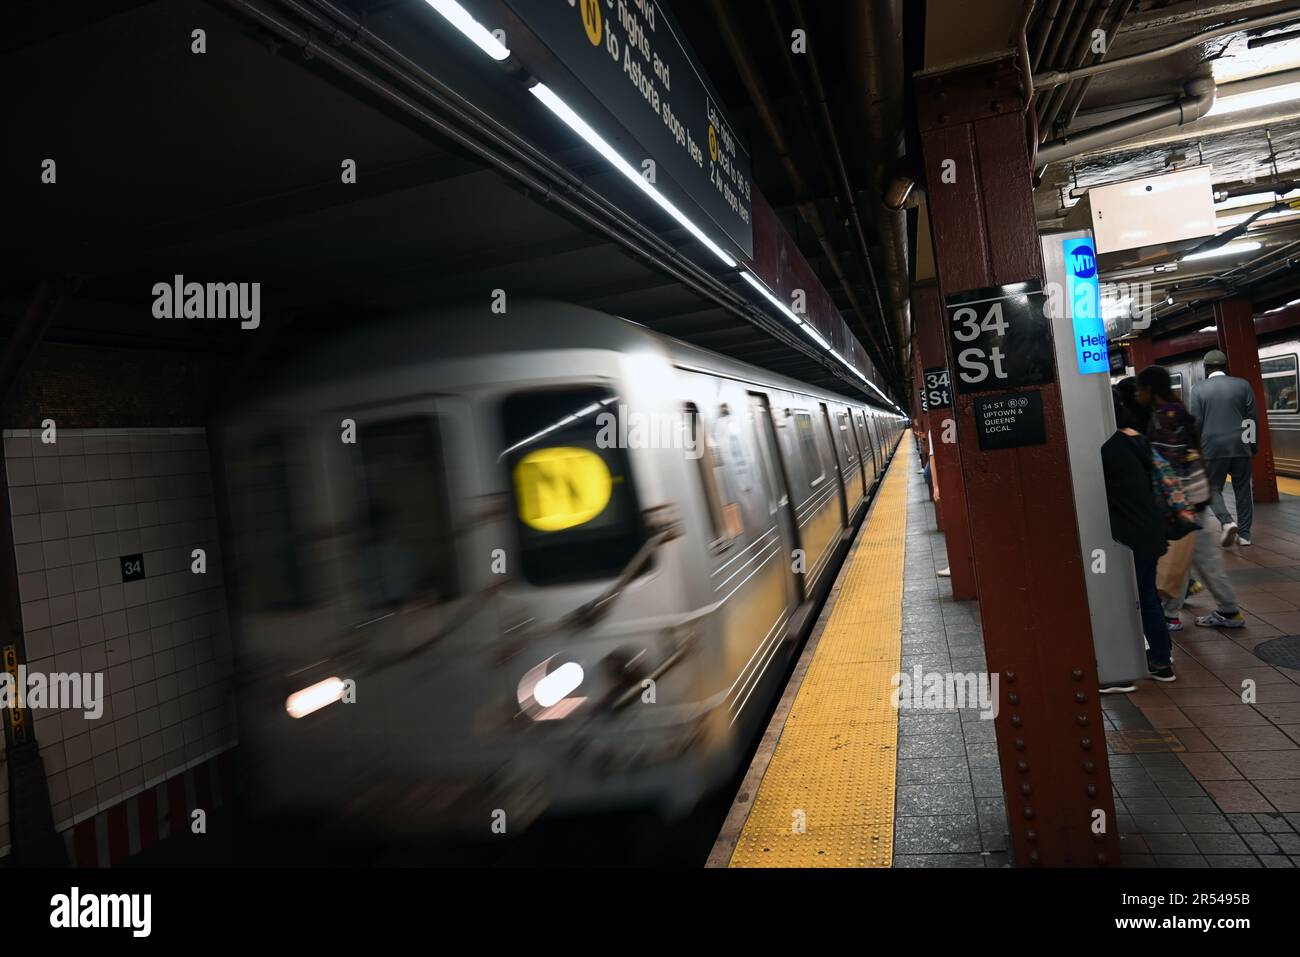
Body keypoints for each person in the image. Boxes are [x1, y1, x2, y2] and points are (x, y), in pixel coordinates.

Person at [1136, 365, 1246, 631]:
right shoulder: (1178, 411)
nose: (1138, 394)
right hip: (1195, 495)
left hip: (1181, 500)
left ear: (1150, 390)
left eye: (1141, 389)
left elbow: (1167, 468)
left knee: (1179, 553)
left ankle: (1171, 614)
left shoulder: (1164, 419)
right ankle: (1228, 611)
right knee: (1197, 554)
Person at [1101, 386, 1175, 684]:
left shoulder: (1105, 449)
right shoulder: (1139, 440)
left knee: (1123, 599)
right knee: (1147, 597)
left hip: (1128, 538)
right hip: (1151, 532)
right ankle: (1161, 660)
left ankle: (1120, 673)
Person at [1190, 349, 1259, 547]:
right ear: (1225, 366)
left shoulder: (1198, 389)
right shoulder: (1243, 385)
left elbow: (1196, 422)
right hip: (1241, 444)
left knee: (1212, 488)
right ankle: (1245, 535)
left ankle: (1227, 521)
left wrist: (1196, 450)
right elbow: (1251, 418)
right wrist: (1252, 445)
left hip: (1212, 447)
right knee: (1243, 490)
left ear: (1205, 368)